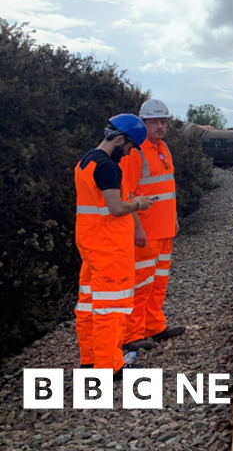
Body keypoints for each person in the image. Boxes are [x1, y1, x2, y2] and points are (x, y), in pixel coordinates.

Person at [75, 114, 154, 373]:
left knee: (89, 304)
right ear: (119, 139)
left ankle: (91, 360)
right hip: (109, 246)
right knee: (112, 306)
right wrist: (139, 204)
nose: (129, 152)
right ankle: (110, 366)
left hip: (91, 243)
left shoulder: (86, 161)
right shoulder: (108, 167)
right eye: (129, 146)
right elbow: (116, 207)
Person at [120, 98, 186, 350]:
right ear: (143, 123)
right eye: (154, 122)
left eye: (163, 121)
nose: (160, 126)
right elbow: (127, 193)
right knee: (141, 284)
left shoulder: (163, 148)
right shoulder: (134, 152)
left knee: (158, 282)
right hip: (146, 231)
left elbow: (167, 188)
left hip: (164, 228)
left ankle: (154, 326)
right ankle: (132, 334)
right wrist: (136, 227)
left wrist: (175, 218)